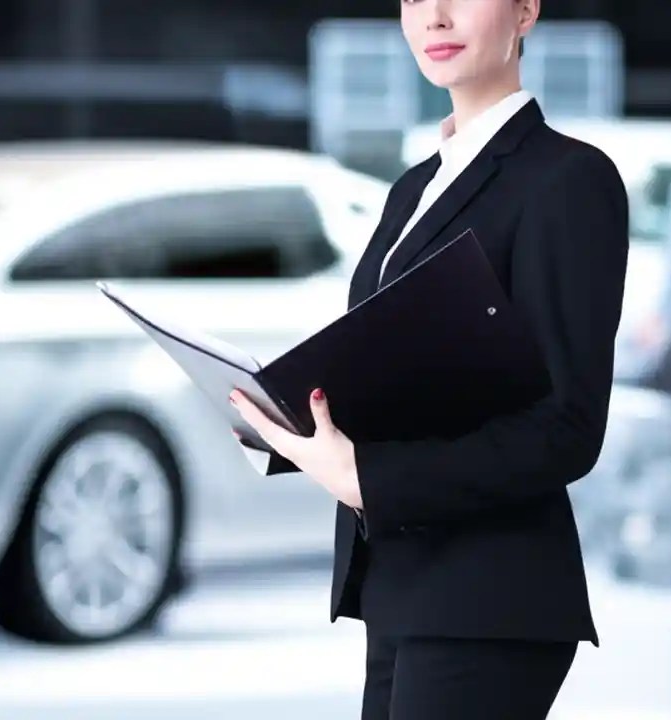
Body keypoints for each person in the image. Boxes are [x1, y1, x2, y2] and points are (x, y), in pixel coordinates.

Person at [229, 0, 629, 717]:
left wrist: (367, 478)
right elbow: (397, 375)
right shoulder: (414, 188)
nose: (435, 17)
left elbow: (568, 427)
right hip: (402, 586)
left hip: (492, 596)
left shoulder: (570, 180)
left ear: (527, 9)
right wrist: (289, 422)